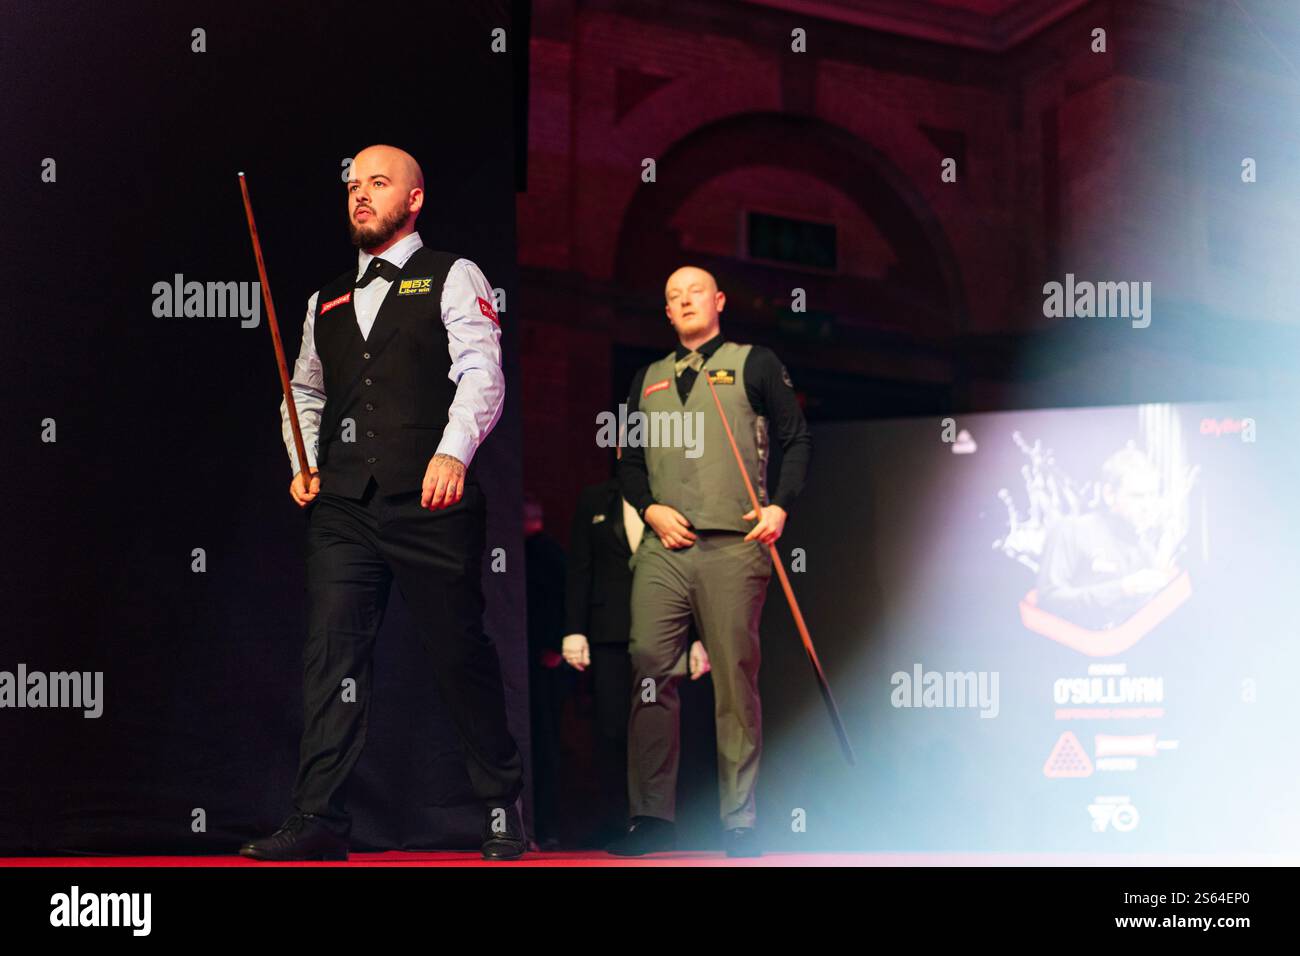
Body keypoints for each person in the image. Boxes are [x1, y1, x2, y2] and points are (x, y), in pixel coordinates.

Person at [240, 144, 525, 861]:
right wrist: (302, 460)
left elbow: (481, 372)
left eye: (377, 183)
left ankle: (498, 807)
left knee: (458, 651)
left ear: (415, 198)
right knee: (331, 656)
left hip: (429, 493)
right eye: (352, 186)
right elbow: (304, 390)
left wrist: (453, 450)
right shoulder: (324, 300)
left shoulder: (453, 275)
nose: (359, 195)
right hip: (342, 502)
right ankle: (318, 820)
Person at [609, 265, 811, 858]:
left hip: (735, 543)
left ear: (718, 300)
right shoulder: (646, 378)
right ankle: (651, 818)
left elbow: (796, 437)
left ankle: (740, 821)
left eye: (694, 290)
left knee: (733, 679)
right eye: (672, 296)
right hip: (663, 549)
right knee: (649, 671)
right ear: (667, 314)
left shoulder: (756, 362)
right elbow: (628, 463)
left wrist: (780, 508)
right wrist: (649, 510)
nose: (684, 300)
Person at [562, 460, 711, 847]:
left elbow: (691, 574)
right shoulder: (595, 498)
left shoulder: (672, 500)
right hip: (609, 632)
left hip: (664, 631)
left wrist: (698, 636)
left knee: (659, 721)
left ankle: (658, 819)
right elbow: (580, 567)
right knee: (611, 727)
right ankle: (618, 820)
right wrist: (574, 630)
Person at [1037, 444, 1178, 630]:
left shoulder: (1146, 547)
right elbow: (1049, 601)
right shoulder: (1071, 530)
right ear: (1109, 494)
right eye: (1138, 496)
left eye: (1153, 495)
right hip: (1071, 654)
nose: (1148, 505)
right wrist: (1121, 589)